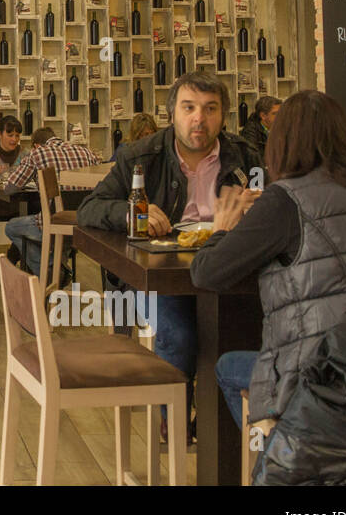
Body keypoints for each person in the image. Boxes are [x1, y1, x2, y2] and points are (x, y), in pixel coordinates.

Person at [190, 90, 346, 435]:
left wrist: (222, 228)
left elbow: (207, 272)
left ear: (281, 142)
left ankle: (283, 464)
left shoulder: (285, 199)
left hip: (330, 381)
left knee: (227, 366)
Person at [77, 71, 263, 438]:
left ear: (223, 116)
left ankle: (226, 428)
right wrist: (132, 213)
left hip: (227, 270)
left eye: (210, 109)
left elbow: (270, 204)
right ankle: (173, 417)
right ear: (172, 113)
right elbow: (89, 208)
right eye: (189, 107)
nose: (199, 118)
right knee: (178, 334)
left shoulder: (245, 156)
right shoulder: (141, 155)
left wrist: (256, 209)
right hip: (163, 275)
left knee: (243, 329)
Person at [0, 127, 104, 284]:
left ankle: (50, 270)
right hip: (88, 224)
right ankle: (57, 268)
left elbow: (10, 187)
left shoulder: (37, 153)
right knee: (57, 238)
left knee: (12, 227)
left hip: (56, 224)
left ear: (36, 145)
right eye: (11, 134)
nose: (14, 139)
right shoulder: (86, 152)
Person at [239, 95, 280, 160]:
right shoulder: (250, 133)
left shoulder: (279, 127)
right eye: (275, 114)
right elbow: (255, 160)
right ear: (263, 116)